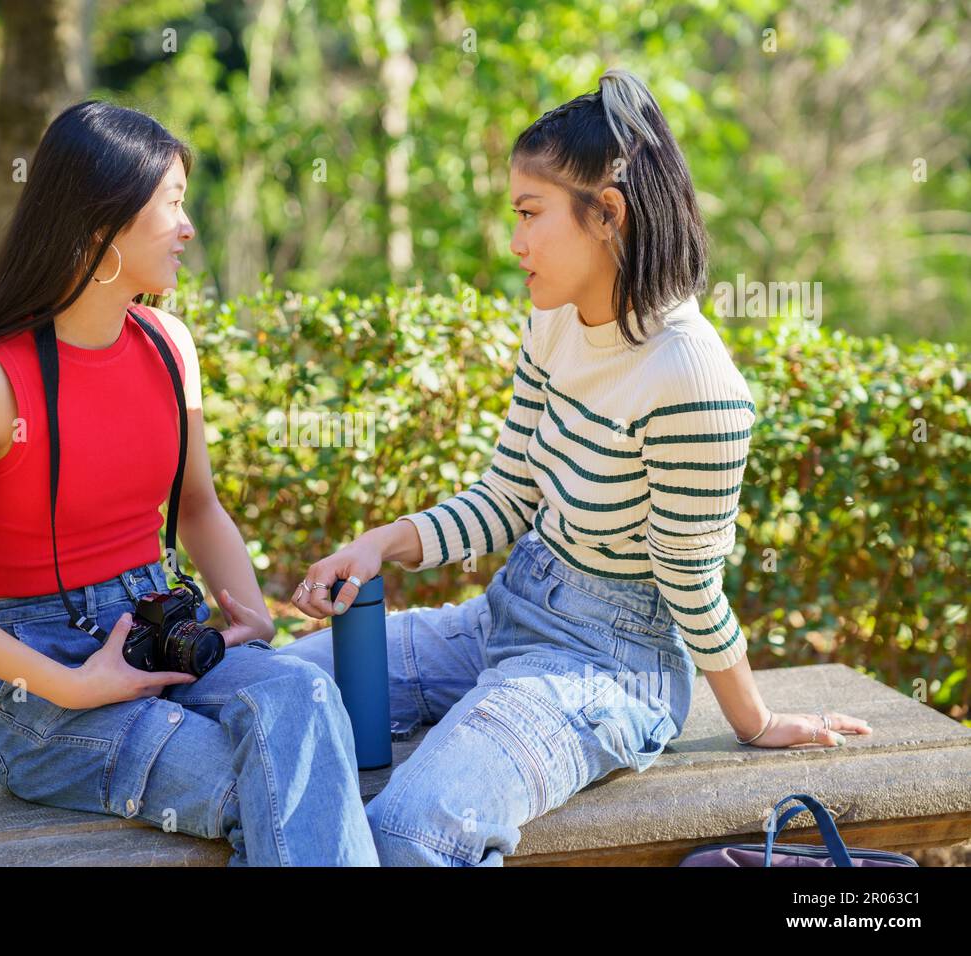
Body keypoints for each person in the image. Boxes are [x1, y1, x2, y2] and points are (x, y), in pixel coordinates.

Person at [284, 68, 872, 867]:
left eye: (530, 214)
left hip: (609, 667)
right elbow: (509, 493)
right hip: (509, 612)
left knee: (410, 832)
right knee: (280, 689)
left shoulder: (691, 380)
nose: (515, 241)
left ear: (608, 213)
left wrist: (755, 722)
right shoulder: (553, 320)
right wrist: (380, 543)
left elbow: (689, 584)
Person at [0, 101, 379, 866]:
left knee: (305, 698)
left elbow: (197, 506)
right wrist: (73, 685)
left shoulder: (167, 345)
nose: (189, 228)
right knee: (267, 785)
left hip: (159, 625)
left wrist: (248, 614)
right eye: (173, 205)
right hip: (41, 686)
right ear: (101, 226)